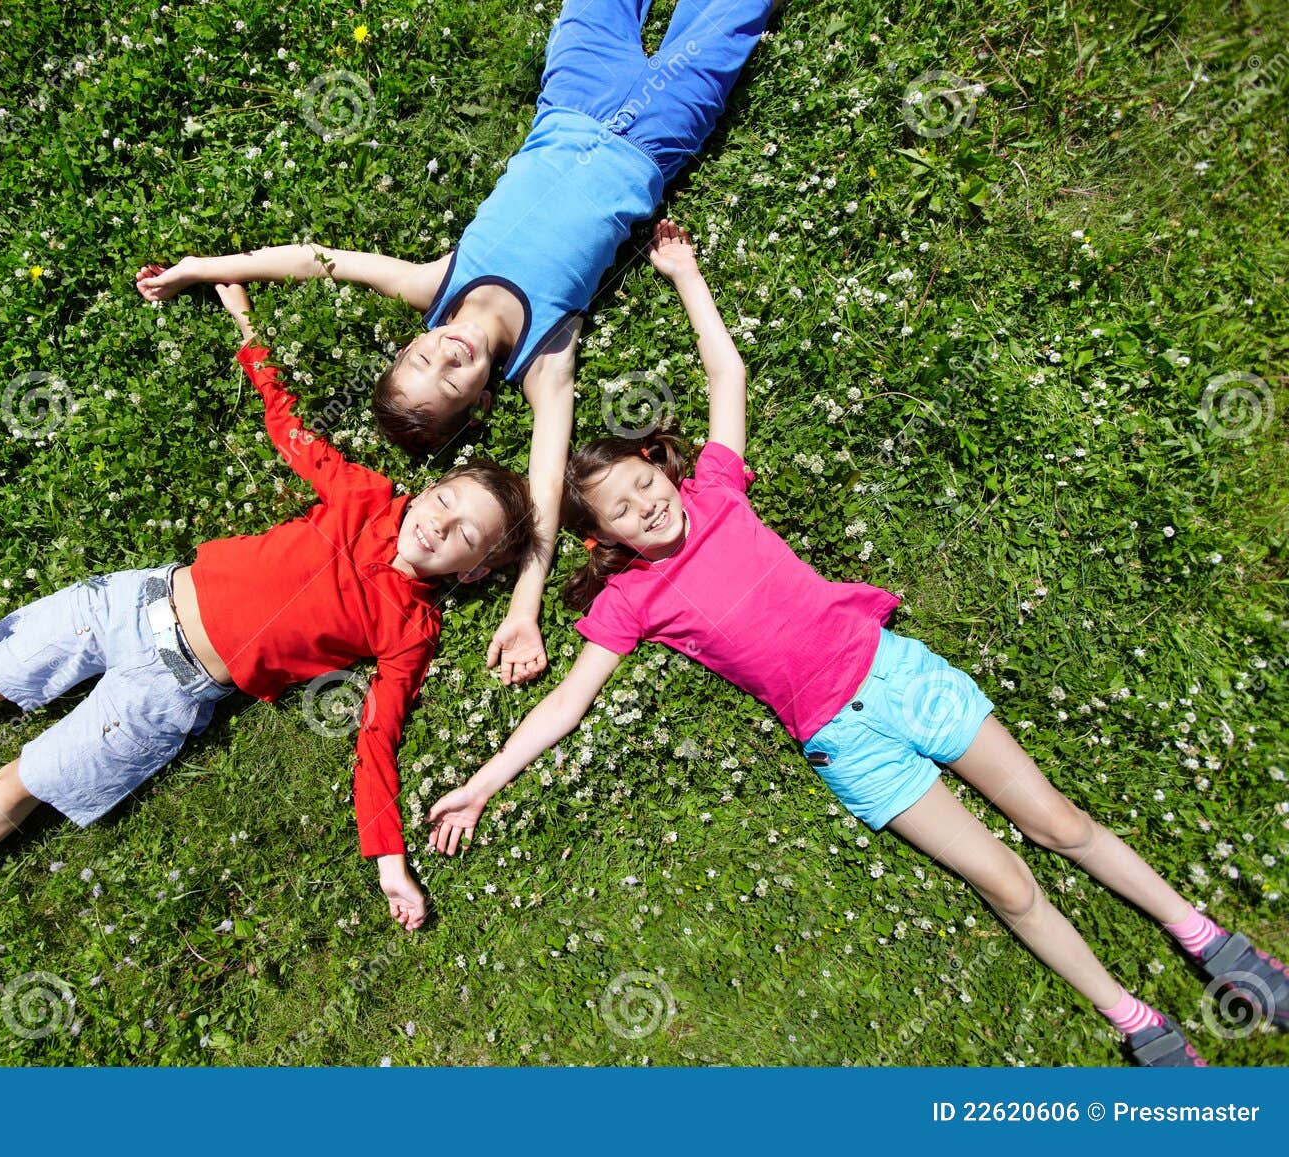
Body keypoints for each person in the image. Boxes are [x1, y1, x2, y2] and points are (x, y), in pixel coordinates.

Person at [424, 222, 1289, 1065]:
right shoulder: (628, 600)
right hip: (849, 744)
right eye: (626, 510)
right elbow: (567, 705)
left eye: (649, 483)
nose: (650, 505)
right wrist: (480, 785)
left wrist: (686, 276)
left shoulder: (718, 491)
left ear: (667, 468)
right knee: (1006, 882)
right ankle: (1138, 1022)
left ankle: (1212, 941)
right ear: (607, 543)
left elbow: (727, 371)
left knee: (1060, 823)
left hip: (897, 674)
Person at [0, 287, 535, 952]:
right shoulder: (364, 495)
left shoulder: (410, 632)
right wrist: (248, 329)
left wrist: (389, 861)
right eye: (445, 501)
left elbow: (376, 742)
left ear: (472, 569)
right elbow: (288, 430)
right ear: (426, 488)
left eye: (466, 535)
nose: (439, 523)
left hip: (167, 695)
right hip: (133, 601)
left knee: (15, 788)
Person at [135, 0, 778, 688]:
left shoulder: (435, 284)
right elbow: (539, 501)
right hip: (656, 132)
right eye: (449, 378)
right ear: (475, 405)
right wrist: (524, 608)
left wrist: (203, 269)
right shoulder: (545, 357)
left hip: (572, 96)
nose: (448, 351)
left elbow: (315, 258)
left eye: (422, 355)